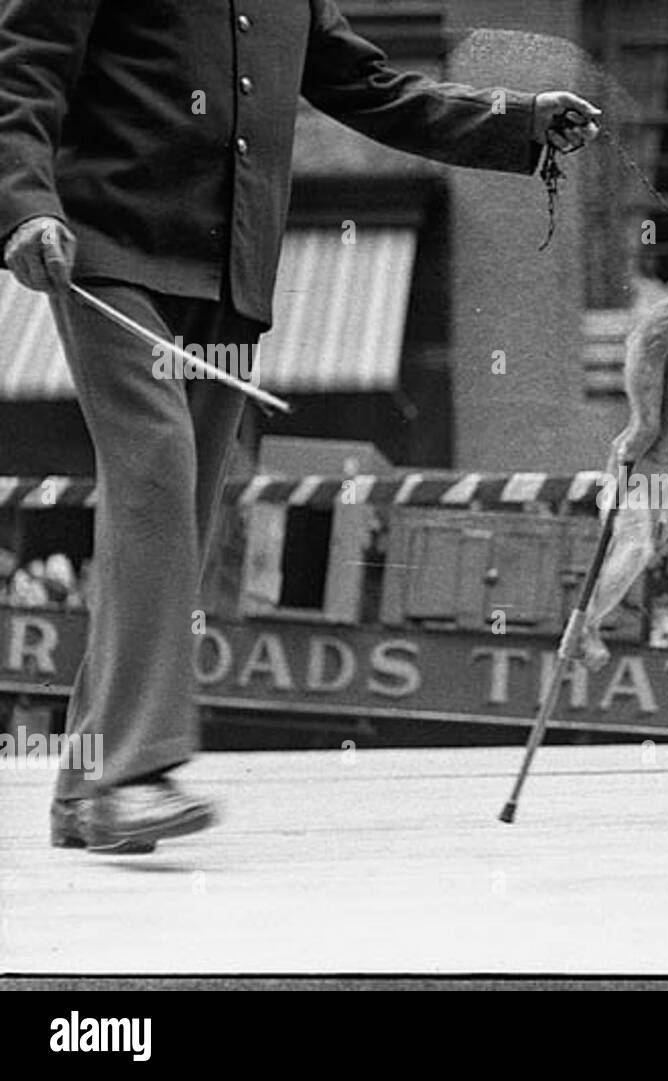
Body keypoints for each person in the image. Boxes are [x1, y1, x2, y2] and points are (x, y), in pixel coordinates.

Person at [0, 1, 600, 854]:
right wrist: (23, 200)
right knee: (156, 476)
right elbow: (21, 70)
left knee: (178, 516)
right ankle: (131, 773)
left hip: (230, 274)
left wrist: (514, 121)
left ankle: (85, 786)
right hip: (106, 255)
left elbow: (370, 86)